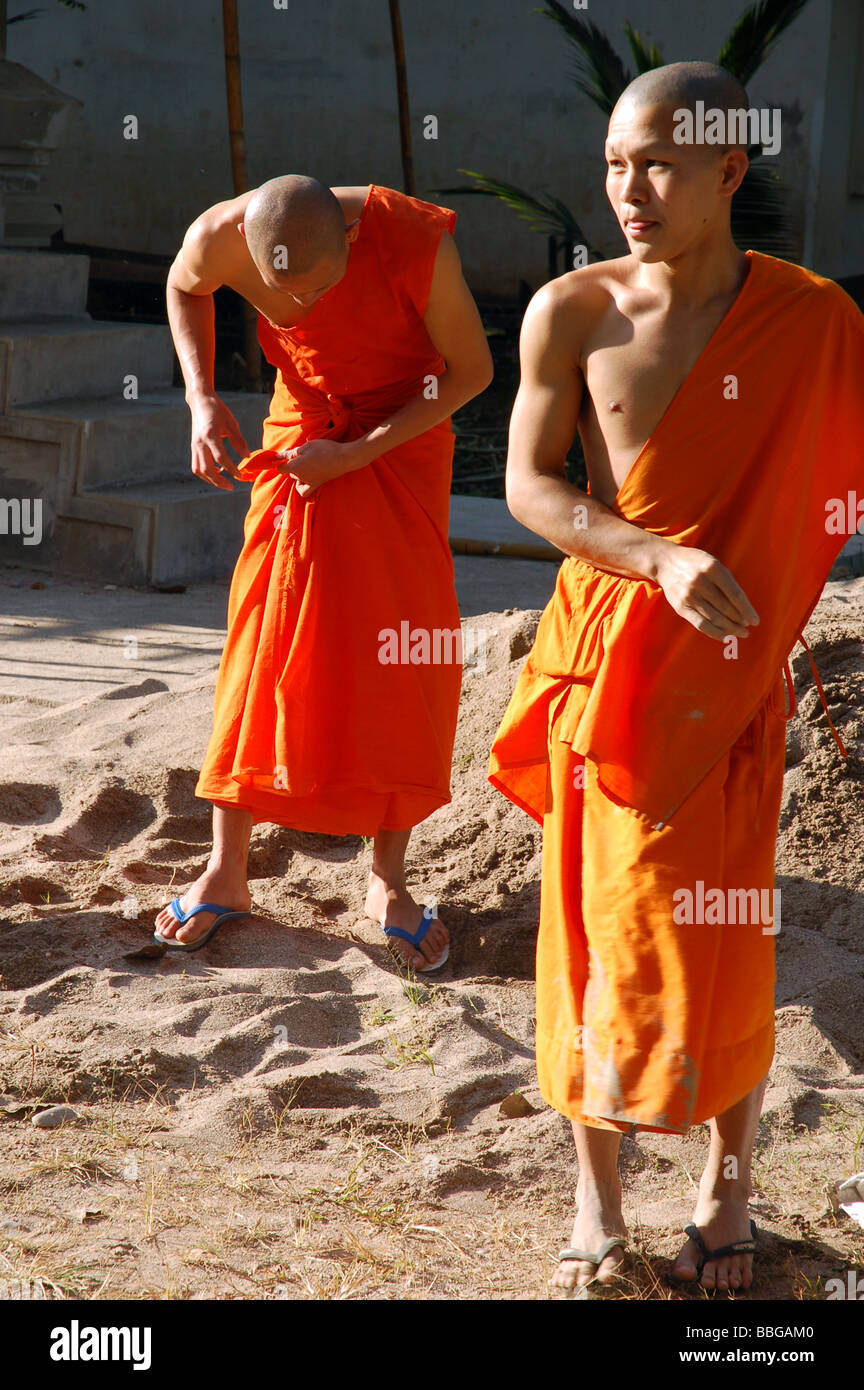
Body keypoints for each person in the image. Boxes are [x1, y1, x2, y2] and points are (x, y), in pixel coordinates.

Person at [488, 62, 864, 1293]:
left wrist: (771, 585)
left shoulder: (813, 319)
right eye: (612, 164)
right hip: (616, 667)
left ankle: (725, 1197)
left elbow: (831, 481)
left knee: (728, 940)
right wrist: (651, 553)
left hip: (737, 672)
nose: (628, 189)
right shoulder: (573, 311)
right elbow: (532, 487)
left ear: (726, 170)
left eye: (654, 163)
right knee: (599, 937)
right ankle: (596, 1204)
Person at [158, 176, 493, 970]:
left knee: (394, 646)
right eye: (285, 296)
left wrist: (357, 455)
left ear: (350, 238)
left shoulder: (415, 243)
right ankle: (227, 871)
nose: (302, 308)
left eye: (318, 289)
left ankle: (386, 879)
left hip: (398, 431)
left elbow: (471, 373)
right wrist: (201, 400)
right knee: (263, 637)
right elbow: (182, 285)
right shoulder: (217, 233)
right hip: (304, 420)